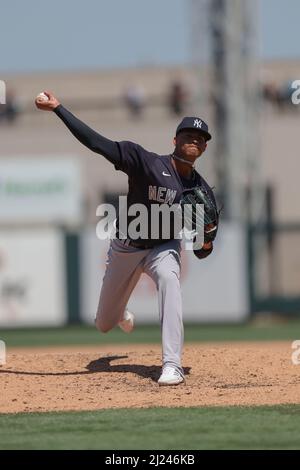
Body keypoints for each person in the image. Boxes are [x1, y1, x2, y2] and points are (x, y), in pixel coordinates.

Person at [35, 92, 218, 386]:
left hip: (163, 248)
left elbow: (201, 252)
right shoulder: (144, 161)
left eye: (200, 137)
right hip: (126, 247)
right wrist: (58, 109)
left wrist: (206, 240)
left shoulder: (203, 191)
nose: (193, 139)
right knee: (104, 324)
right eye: (187, 134)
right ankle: (119, 311)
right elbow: (96, 143)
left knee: (170, 281)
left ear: (205, 146)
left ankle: (173, 365)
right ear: (175, 140)